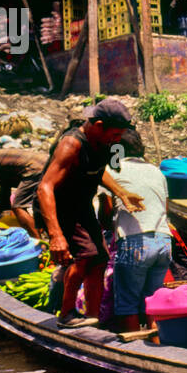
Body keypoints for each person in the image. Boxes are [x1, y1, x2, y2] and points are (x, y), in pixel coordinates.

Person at [36, 98, 144, 329]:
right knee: (85, 256)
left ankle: (92, 318)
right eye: (114, 134)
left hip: (81, 205)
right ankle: (66, 314)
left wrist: (122, 193)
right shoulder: (71, 145)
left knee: (100, 258)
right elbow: (44, 187)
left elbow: (98, 170)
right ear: (97, 125)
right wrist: (56, 235)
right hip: (59, 207)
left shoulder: (104, 143)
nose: (117, 140)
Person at [99, 128, 172, 333]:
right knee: (152, 304)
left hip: (134, 242)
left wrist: (108, 224)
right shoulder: (156, 171)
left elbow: (105, 212)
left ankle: (133, 354)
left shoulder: (112, 171)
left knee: (127, 304)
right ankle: (157, 347)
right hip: (163, 241)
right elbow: (164, 210)